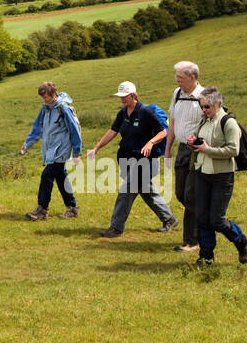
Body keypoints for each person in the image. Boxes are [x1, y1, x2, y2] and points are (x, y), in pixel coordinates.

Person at [86, 81, 177, 238]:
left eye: (124, 96)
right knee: (146, 191)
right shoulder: (122, 113)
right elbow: (112, 131)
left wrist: (150, 142)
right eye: (120, 96)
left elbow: (163, 132)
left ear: (134, 95)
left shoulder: (146, 112)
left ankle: (116, 227)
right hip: (127, 159)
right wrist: (96, 147)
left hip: (144, 160)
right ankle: (169, 219)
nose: (121, 99)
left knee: (126, 191)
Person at [188, 86, 247, 266]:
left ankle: (241, 240)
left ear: (217, 104)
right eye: (202, 107)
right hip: (202, 172)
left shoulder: (228, 122)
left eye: (207, 107)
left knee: (217, 220)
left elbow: (233, 149)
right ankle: (206, 257)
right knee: (202, 218)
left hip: (222, 176)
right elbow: (204, 143)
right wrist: (195, 142)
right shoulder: (205, 121)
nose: (204, 110)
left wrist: (208, 150)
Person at [20, 82, 82, 221]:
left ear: (54, 94)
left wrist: (77, 152)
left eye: (47, 98)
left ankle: (42, 210)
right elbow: (37, 128)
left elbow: (74, 130)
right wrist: (27, 144)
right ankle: (72, 208)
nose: (45, 101)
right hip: (50, 150)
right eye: (43, 98)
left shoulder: (64, 109)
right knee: (60, 177)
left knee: (46, 175)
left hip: (62, 150)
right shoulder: (45, 109)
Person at [163, 61, 205, 252]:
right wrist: (167, 148)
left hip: (197, 152)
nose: (177, 81)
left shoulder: (205, 96)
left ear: (192, 77)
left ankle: (192, 241)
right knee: (181, 193)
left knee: (190, 195)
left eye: (180, 78)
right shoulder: (177, 94)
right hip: (181, 149)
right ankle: (204, 224)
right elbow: (172, 121)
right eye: (176, 78)